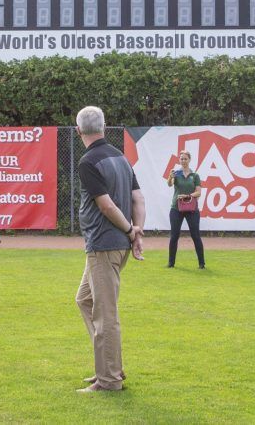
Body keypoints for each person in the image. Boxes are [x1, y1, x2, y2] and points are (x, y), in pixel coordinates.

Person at [74, 106, 145, 393]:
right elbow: (138, 198)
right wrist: (137, 231)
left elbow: (106, 205)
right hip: (113, 243)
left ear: (79, 131)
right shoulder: (120, 157)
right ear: (104, 127)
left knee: (106, 315)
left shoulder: (89, 161)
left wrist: (131, 231)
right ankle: (108, 364)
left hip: (104, 245)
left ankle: (109, 379)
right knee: (84, 300)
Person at [165, 150, 205, 268]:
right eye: (181, 159)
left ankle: (202, 264)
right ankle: (171, 263)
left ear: (189, 160)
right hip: (176, 208)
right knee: (174, 236)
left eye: (185, 158)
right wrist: (170, 177)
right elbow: (169, 184)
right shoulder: (176, 173)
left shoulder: (195, 175)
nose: (183, 161)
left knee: (195, 235)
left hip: (191, 209)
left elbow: (198, 193)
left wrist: (187, 196)